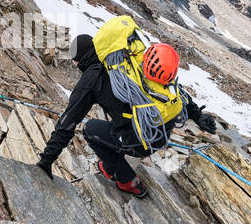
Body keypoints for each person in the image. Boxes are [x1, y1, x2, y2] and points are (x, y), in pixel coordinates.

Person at [35, 33, 216, 197]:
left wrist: (46, 160)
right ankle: (109, 166)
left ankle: (128, 181)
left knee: (90, 129)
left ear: (77, 61)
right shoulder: (123, 61)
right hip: (162, 131)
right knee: (114, 128)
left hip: (142, 142)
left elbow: (67, 123)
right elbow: (170, 87)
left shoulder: (89, 80)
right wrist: (196, 115)